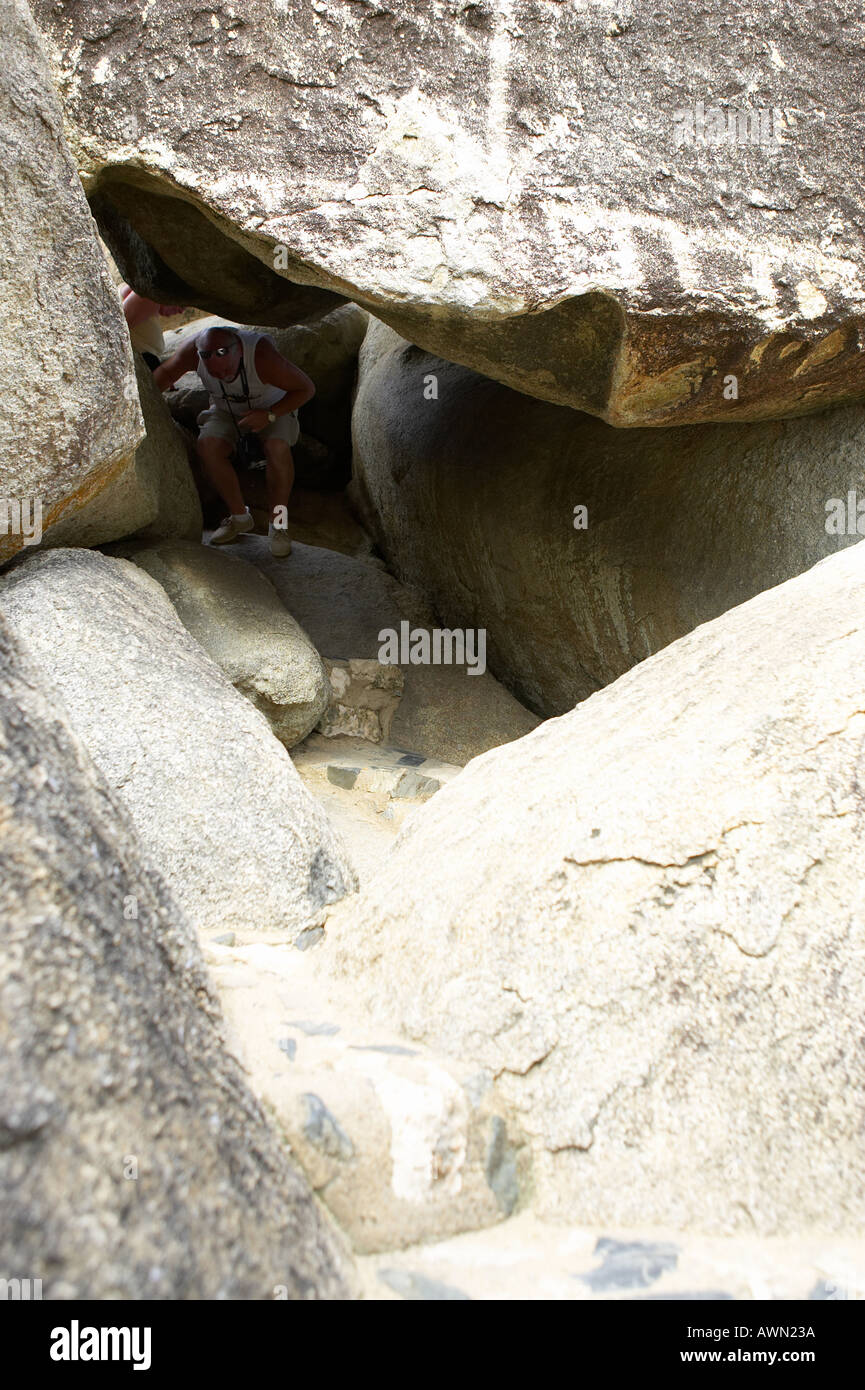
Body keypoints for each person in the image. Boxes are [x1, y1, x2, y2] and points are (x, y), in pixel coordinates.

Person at [153, 325, 315, 558]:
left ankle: (279, 524)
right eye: (215, 374)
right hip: (226, 409)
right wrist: (136, 402)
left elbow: (306, 388)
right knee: (208, 446)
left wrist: (269, 415)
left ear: (238, 350)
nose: (223, 376)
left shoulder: (261, 356)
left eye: (228, 369)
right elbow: (165, 375)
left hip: (273, 407)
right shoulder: (192, 350)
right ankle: (239, 517)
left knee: (276, 447)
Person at [120, 285, 182, 369]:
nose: (181, 311)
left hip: (142, 359)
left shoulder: (149, 300)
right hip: (140, 360)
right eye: (182, 305)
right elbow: (119, 326)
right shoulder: (149, 297)